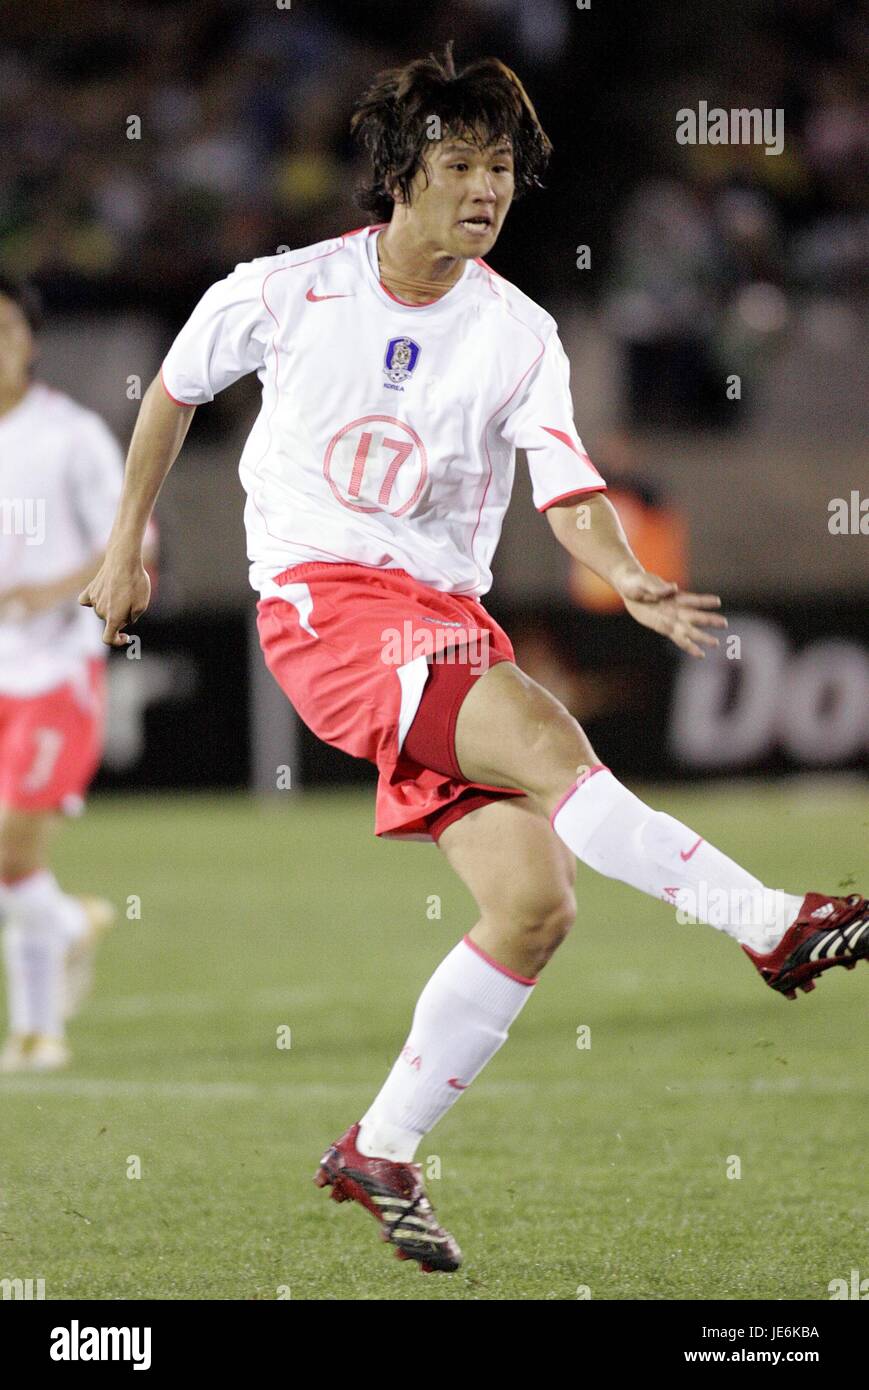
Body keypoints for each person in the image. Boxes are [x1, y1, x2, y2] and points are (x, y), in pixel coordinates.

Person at [80, 48, 867, 1274]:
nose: (485, 188)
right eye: (459, 164)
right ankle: (767, 923)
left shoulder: (516, 332)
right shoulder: (286, 290)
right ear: (401, 175)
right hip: (327, 604)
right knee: (552, 742)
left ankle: (379, 1148)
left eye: (499, 167)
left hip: (446, 619)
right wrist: (126, 544)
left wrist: (624, 570)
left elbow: (567, 486)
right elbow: (174, 389)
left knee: (534, 904)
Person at [0, 277, 121, 1072]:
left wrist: (51, 590)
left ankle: (58, 964)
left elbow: (133, 543)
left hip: (54, 669)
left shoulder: (71, 435)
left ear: (31, 340)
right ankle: (39, 1032)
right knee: (17, 868)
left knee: (11, 847)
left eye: (5, 329)